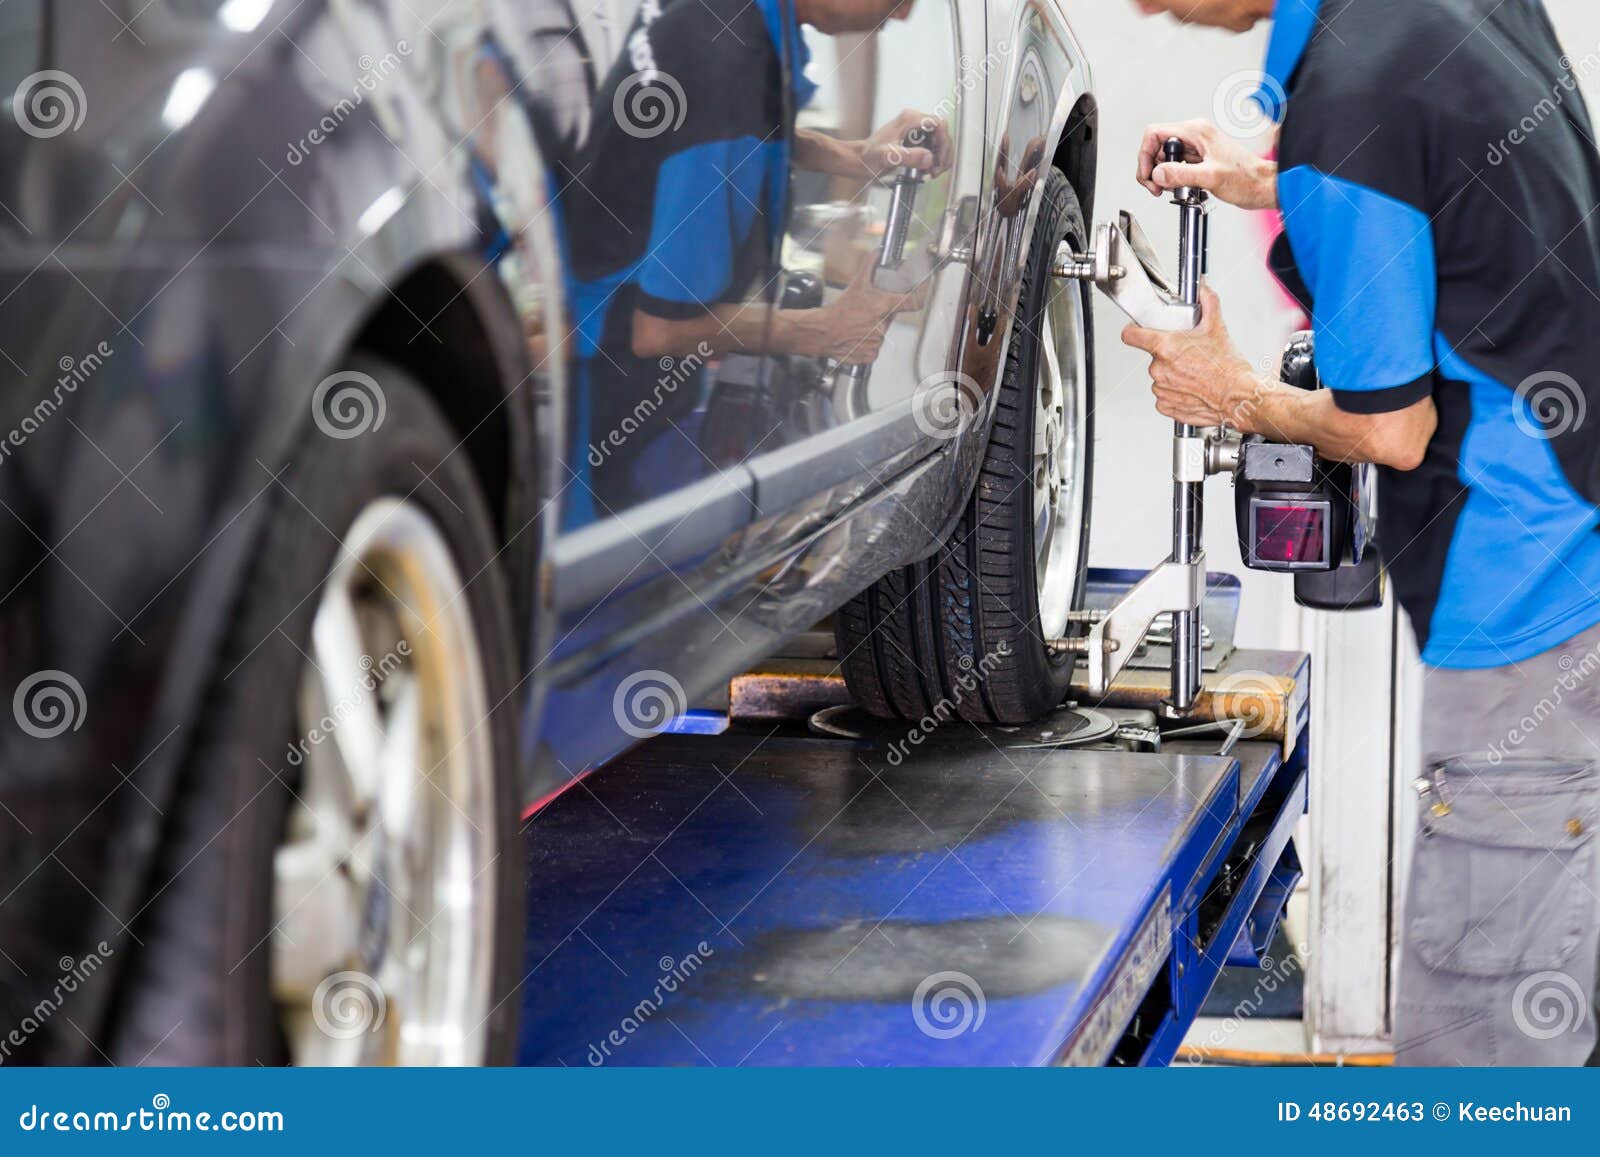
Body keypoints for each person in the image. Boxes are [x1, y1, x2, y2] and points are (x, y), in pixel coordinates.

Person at [1123, 0, 1600, 1065]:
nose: (1145, 5)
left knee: (1479, 1064)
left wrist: (1232, 393)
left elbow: (1386, 427)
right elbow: (1463, 188)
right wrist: (1275, 176)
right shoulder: (1425, 24)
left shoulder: (1347, 104)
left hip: (1529, 606)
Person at [560, 0, 944, 519]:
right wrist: (825, 329)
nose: (900, 17)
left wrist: (856, 157)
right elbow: (658, 332)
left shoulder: (724, 22)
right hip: (610, 429)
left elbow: (711, 128)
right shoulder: (732, 71)